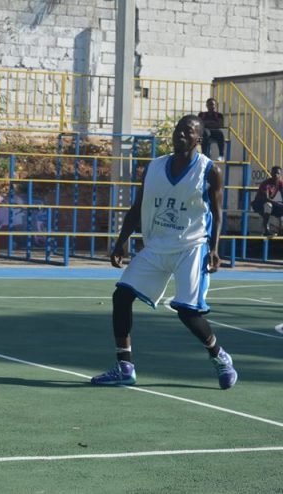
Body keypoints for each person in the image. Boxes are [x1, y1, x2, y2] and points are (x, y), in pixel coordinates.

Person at [91, 114, 237, 390]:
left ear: (198, 138)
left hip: (192, 246)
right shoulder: (154, 167)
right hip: (157, 244)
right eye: (178, 129)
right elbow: (137, 207)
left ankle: (219, 356)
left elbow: (218, 214)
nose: (180, 134)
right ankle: (125, 366)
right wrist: (121, 241)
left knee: (187, 312)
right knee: (121, 296)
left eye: (188, 131)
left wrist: (215, 248)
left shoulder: (209, 170)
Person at [250, 165, 283, 237]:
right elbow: (266, 198)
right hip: (258, 205)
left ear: (280, 175)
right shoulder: (266, 184)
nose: (276, 175)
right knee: (268, 205)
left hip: (269, 204)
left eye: (278, 173)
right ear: (271, 173)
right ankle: (266, 230)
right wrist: (278, 204)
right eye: (274, 173)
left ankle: (281, 230)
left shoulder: (280, 183)